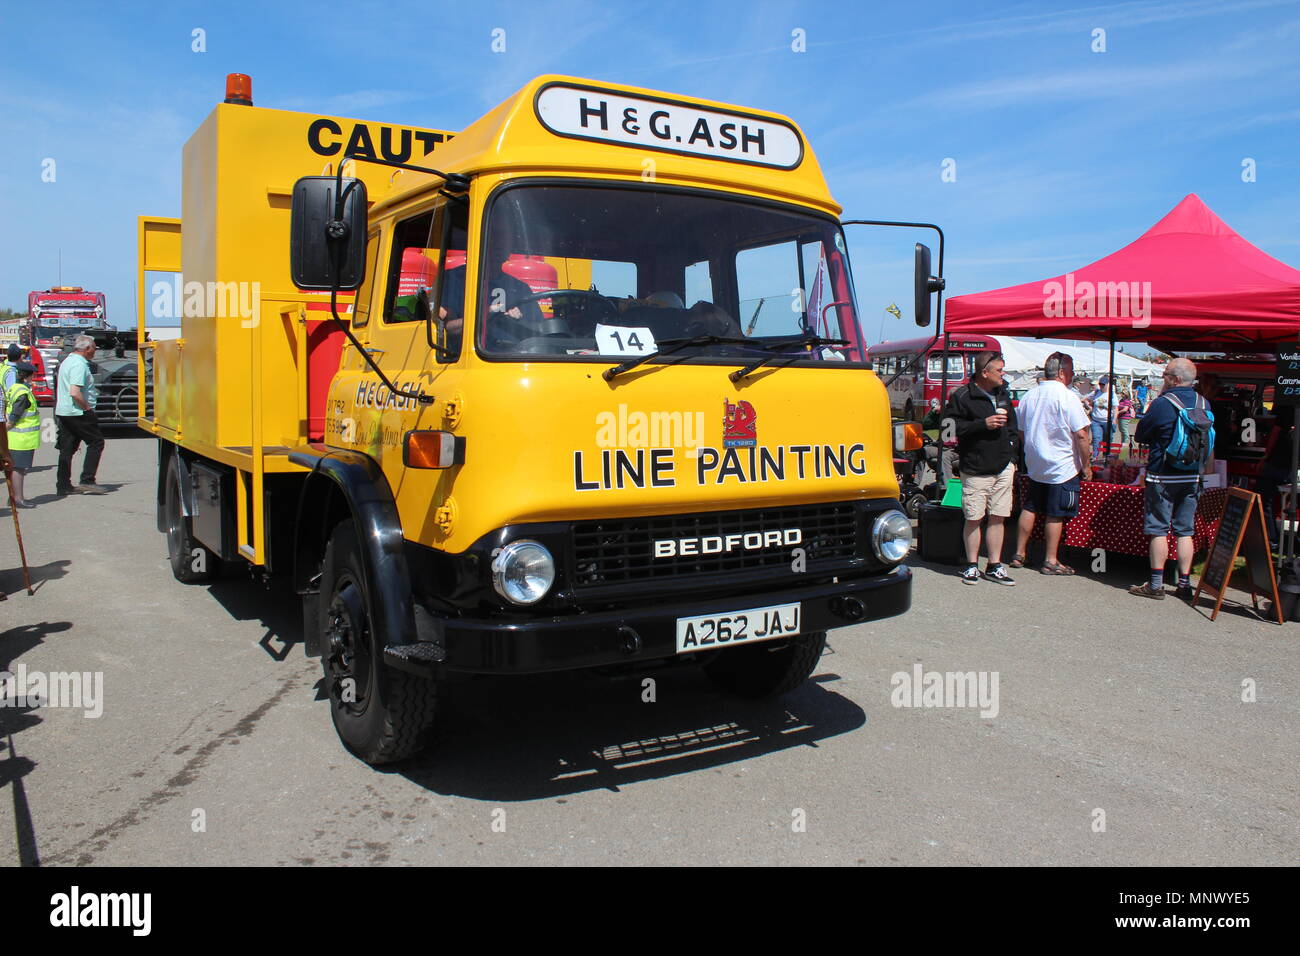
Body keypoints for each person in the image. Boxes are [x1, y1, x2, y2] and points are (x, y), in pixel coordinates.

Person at [1129, 357, 1207, 600]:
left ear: (1174, 379)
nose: (1162, 380)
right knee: (1185, 531)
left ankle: (1155, 584)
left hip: (1162, 474)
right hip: (1193, 474)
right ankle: (1184, 584)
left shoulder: (1163, 403)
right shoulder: (1203, 402)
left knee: (1159, 529)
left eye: (1164, 376)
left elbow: (1141, 434)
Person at [942, 350, 1020, 585]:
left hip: (1003, 465)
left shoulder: (1003, 393)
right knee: (974, 517)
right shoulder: (963, 395)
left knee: (998, 517)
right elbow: (947, 429)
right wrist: (982, 424)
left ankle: (995, 565)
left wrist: (1013, 456)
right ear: (984, 372)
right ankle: (971, 565)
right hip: (976, 467)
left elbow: (1014, 428)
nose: (1003, 374)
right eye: (999, 369)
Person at [1010, 351, 1092, 574]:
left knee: (1031, 507)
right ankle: (1051, 559)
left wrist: (1032, 449)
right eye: (1072, 371)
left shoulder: (1030, 395)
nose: (1073, 375)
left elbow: (1021, 430)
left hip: (1036, 463)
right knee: (1055, 513)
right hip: (1061, 464)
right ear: (1063, 373)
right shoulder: (1067, 397)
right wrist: (1086, 465)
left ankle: (1019, 553)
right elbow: (1082, 435)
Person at [55, 333, 108, 496]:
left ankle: (63, 484)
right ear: (86, 349)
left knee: (67, 448)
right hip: (77, 411)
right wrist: (87, 409)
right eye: (94, 348)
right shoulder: (79, 365)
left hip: (64, 411)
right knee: (96, 442)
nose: (95, 351)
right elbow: (75, 392)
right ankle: (87, 480)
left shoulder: (67, 361)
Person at [1254, 404, 1295, 552]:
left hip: (1277, 463)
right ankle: (1273, 540)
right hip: (1290, 464)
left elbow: (1275, 433)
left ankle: (1271, 540)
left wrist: (1265, 456)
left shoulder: (1288, 404)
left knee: (1263, 502)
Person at [4, 361, 40, 508]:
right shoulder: (23, 393)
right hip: (22, 439)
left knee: (15, 468)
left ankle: (12, 497)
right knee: (19, 469)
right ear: (28, 376)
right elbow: (14, 416)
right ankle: (18, 499)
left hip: (15, 437)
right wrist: (6, 427)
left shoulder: (14, 388)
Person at [1089, 374, 1115, 458]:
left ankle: (1106, 457)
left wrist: (1114, 419)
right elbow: (1089, 401)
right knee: (1096, 439)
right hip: (1096, 420)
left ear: (1107, 384)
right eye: (1100, 384)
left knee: (1107, 440)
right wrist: (1089, 407)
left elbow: (1116, 408)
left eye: (1103, 384)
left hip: (1107, 421)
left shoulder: (1111, 394)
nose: (1101, 386)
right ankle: (1095, 457)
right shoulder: (1096, 392)